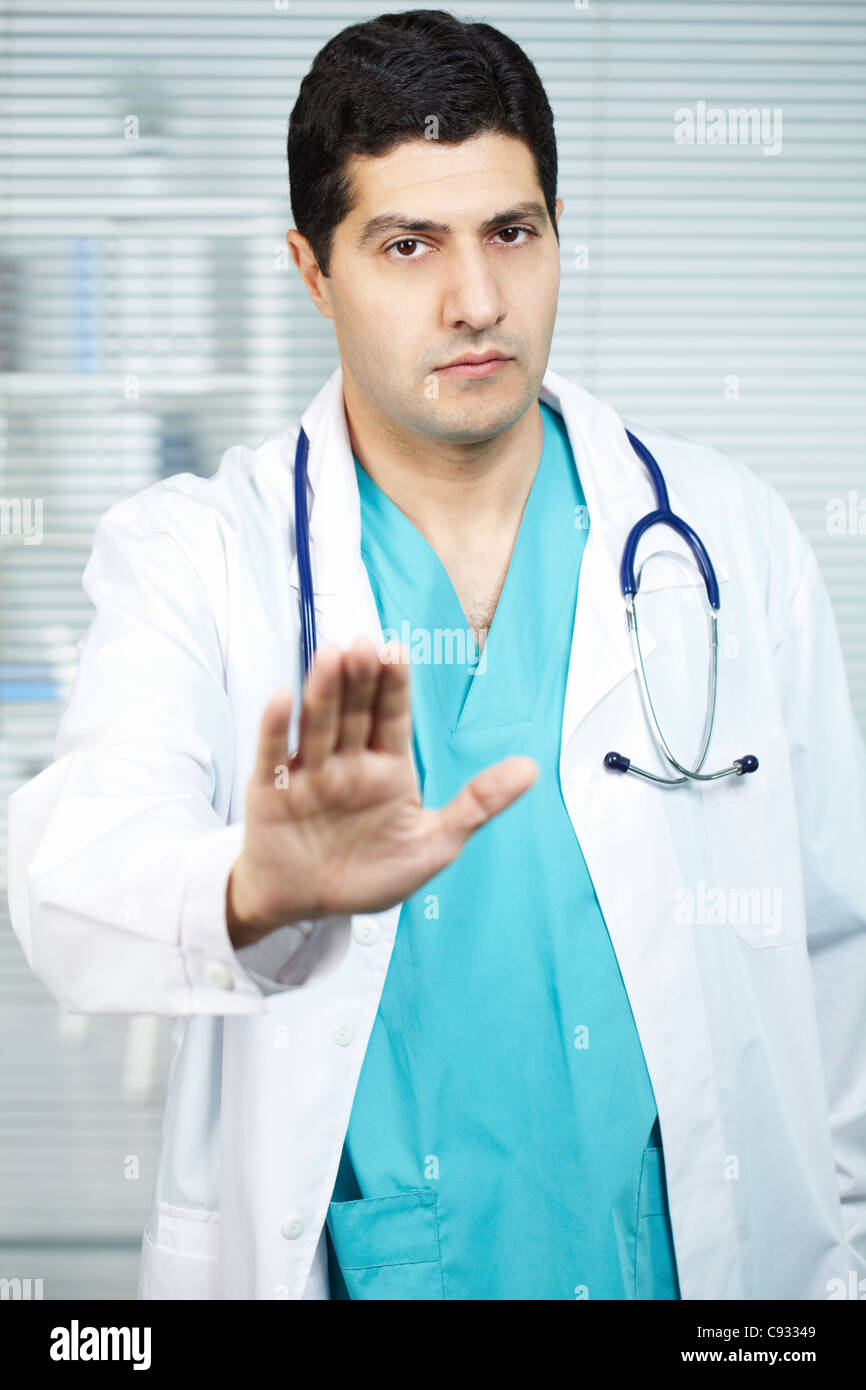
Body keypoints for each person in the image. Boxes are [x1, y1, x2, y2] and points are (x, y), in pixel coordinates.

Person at [6, 8, 866, 1301]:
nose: (476, 300)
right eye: (407, 244)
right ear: (311, 268)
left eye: (510, 233)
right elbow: (72, 876)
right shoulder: (200, 553)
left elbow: (829, 948)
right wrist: (253, 885)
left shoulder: (726, 540)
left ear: (557, 228)